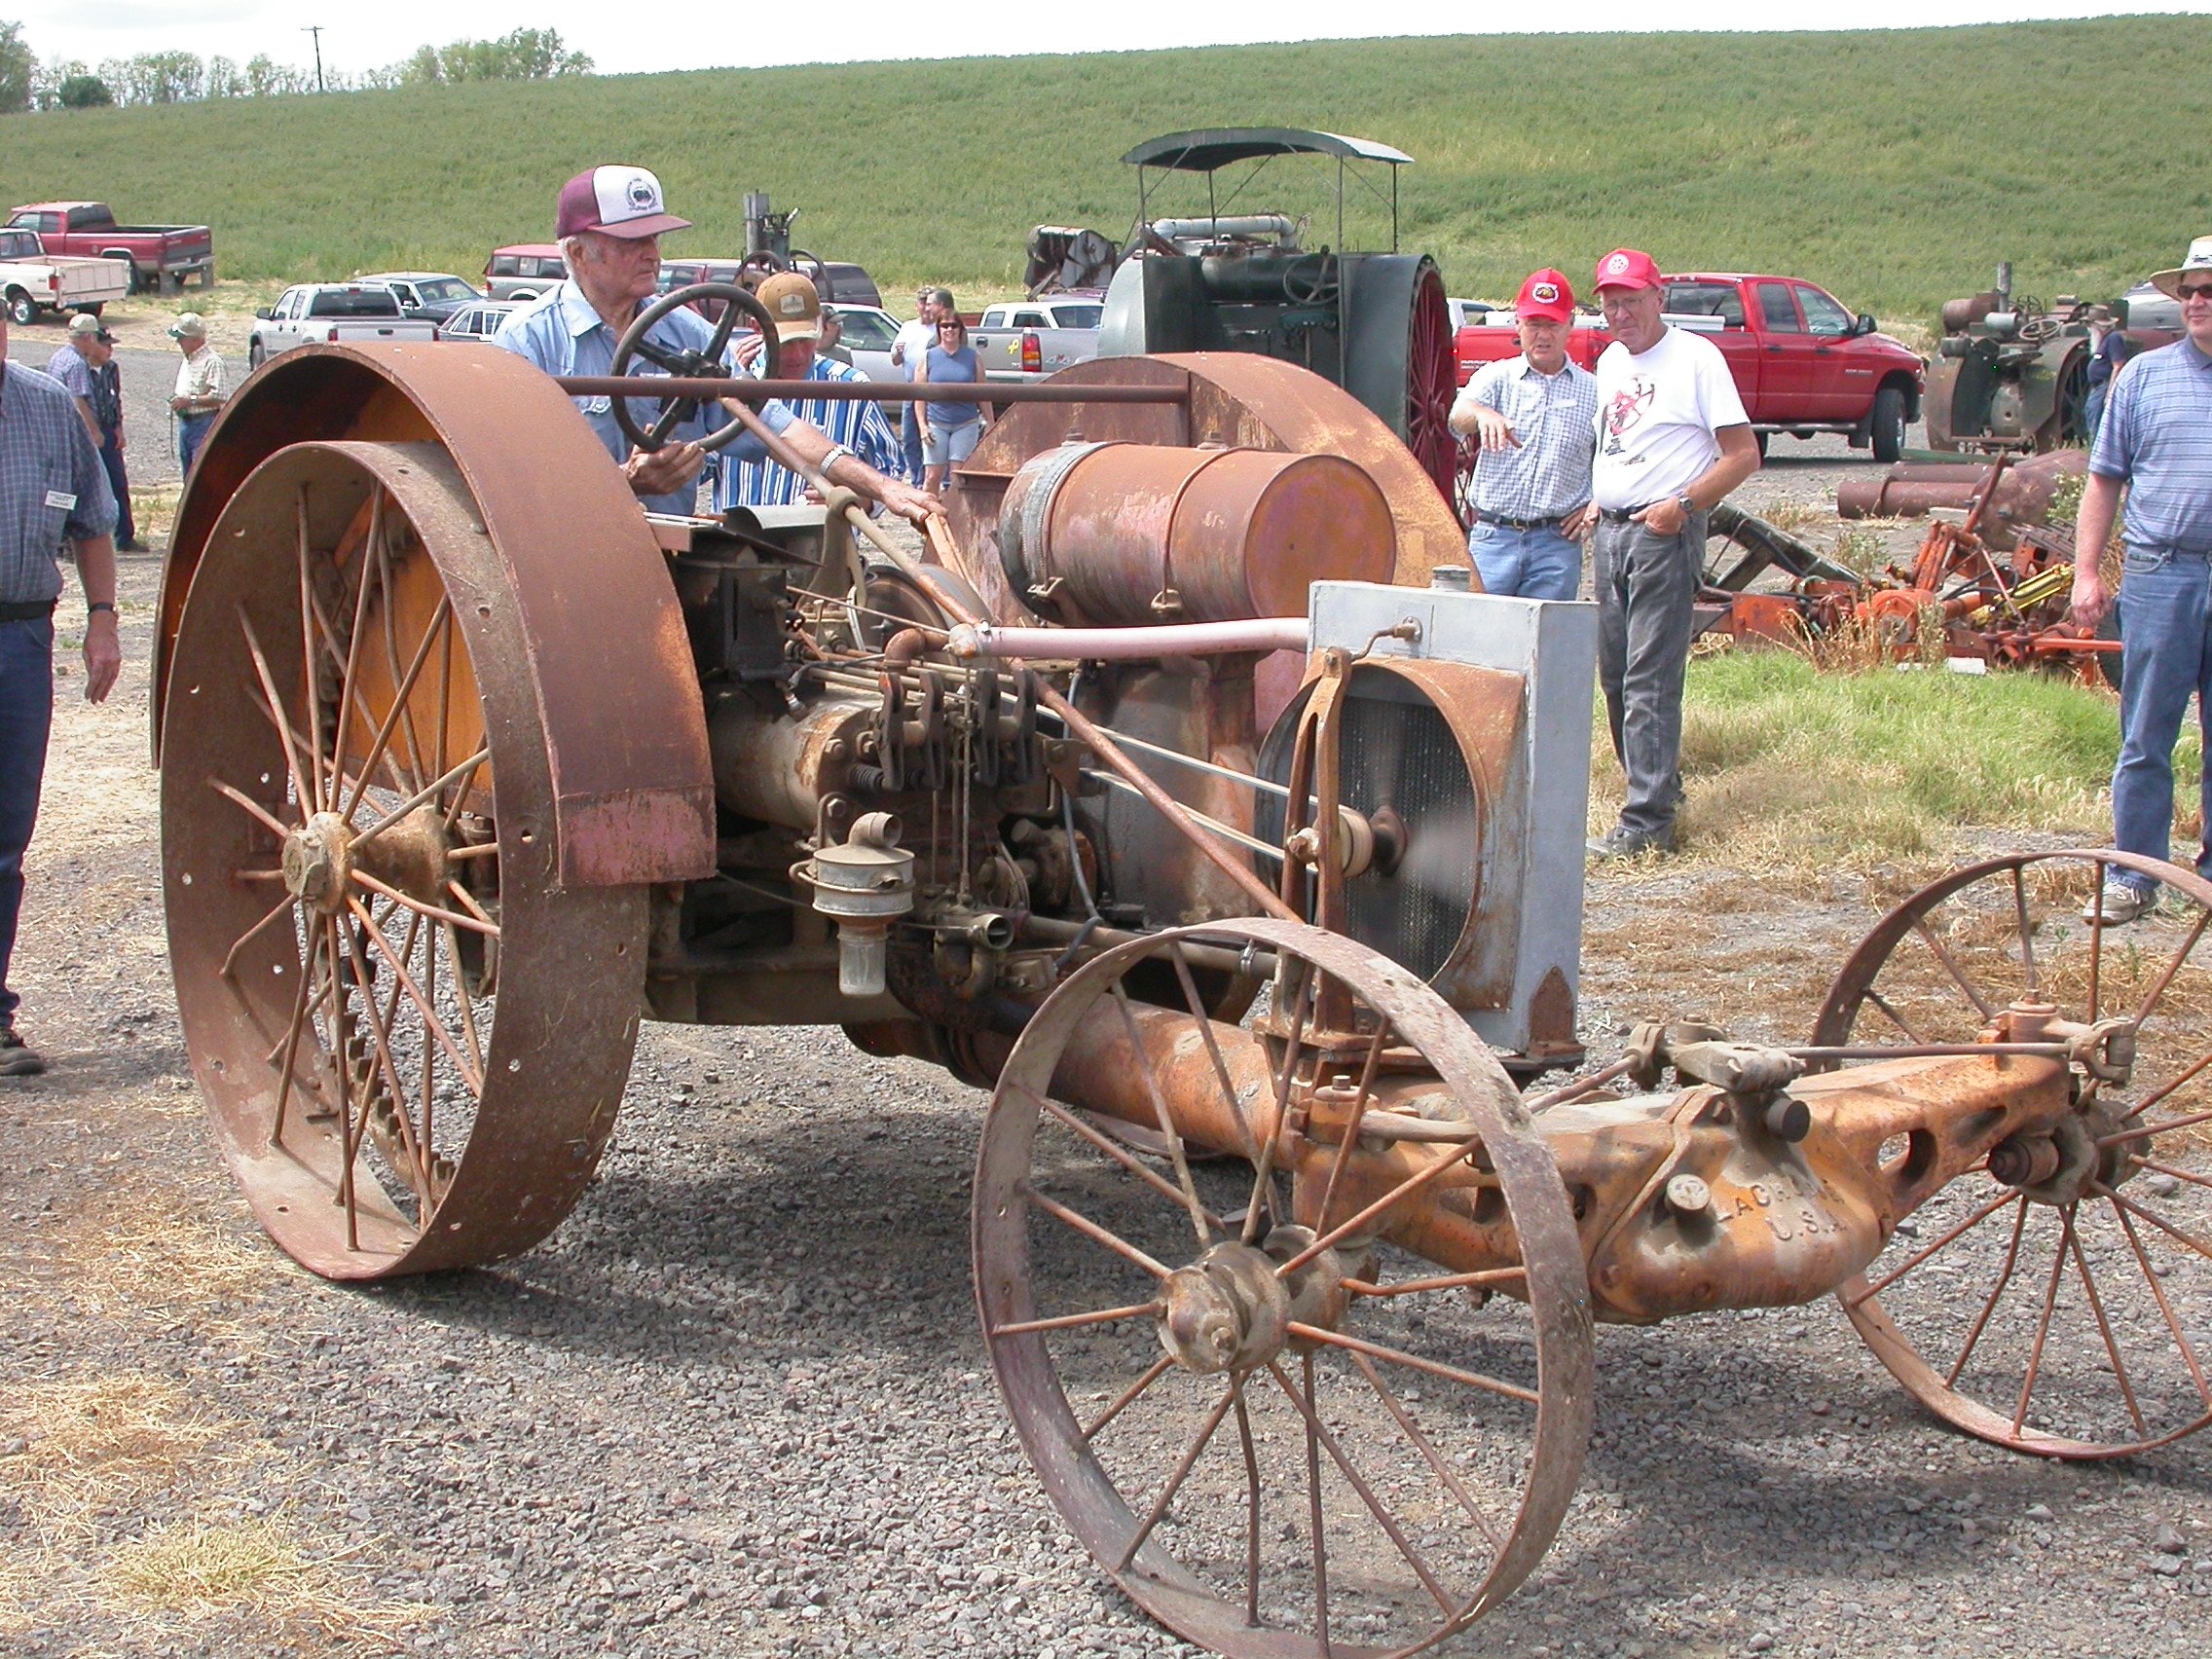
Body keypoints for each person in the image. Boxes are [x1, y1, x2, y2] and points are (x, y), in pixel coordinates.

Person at [496, 166, 934, 523]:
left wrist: (883, 488)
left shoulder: (685, 333)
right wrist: (623, 482)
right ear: (578, 253)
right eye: (632, 242)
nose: (653, 254)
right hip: (561, 562)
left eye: (654, 238)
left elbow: (773, 424)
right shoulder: (527, 342)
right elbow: (508, 481)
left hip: (668, 564)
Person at [1586, 247, 1761, 859]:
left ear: (1658, 298)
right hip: (1612, 533)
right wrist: (1599, 498)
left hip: (1662, 534)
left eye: (1632, 301)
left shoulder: (1696, 359)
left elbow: (1743, 456)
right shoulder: (1610, 361)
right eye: (1611, 304)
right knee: (1615, 677)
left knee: (1649, 679)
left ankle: (1648, 824)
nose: (1621, 314)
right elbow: (1615, 443)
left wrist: (1681, 507)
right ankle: (1658, 790)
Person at [2067, 236, 2212, 925]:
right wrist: (2085, 573)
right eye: (2190, 291)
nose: (2198, 301)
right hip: (2161, 574)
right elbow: (2103, 481)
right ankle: (2134, 876)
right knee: (2146, 733)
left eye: (2210, 290)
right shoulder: (2143, 378)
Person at [1, 306, 122, 1078]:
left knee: (5, 836)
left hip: (19, 637)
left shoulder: (47, 407)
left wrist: (103, 619)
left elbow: (94, 523)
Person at [1446, 269, 1599, 600]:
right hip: (1494, 536)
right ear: (1517, 324)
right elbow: (1458, 416)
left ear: (1571, 325)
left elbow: (1612, 456)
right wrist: (1483, 415)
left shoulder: (1594, 391)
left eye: (1553, 325)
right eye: (1533, 324)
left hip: (1556, 543)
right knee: (1481, 629)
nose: (1543, 335)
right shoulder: (1496, 377)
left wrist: (1595, 502)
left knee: (1547, 630)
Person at [716, 273, 903, 510]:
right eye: (785, 342)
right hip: (737, 533)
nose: (797, 355)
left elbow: (891, 467)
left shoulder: (852, 388)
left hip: (819, 534)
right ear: (756, 327)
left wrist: (855, 500)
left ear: (821, 325)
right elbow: (698, 465)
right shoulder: (728, 385)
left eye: (806, 340)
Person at [48, 314, 136, 552]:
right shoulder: (77, 364)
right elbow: (79, 401)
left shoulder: (59, 358)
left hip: (62, 432)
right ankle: (74, 540)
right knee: (86, 486)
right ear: (89, 338)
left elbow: (113, 400)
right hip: (82, 434)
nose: (107, 349)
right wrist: (95, 433)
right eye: (99, 340)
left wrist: (117, 427)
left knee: (68, 487)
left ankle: (63, 540)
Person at [917, 310, 988, 495]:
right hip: (936, 423)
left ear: (960, 330)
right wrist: (922, 426)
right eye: (944, 326)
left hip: (966, 424)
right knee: (932, 477)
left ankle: (955, 512)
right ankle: (928, 512)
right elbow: (919, 397)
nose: (949, 330)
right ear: (938, 329)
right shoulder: (928, 357)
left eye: (953, 326)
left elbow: (983, 393)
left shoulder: (973, 357)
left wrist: (991, 422)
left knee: (958, 477)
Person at [891, 288, 946, 484]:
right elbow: (895, 361)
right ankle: (916, 480)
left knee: (933, 438)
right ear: (917, 306)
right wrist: (898, 353)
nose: (925, 308)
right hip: (911, 389)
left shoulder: (940, 329)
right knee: (909, 439)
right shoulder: (908, 327)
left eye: (928, 303)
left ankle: (934, 480)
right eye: (922, 303)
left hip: (933, 390)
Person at [167, 313, 226, 477]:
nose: (178, 342)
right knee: (187, 472)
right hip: (186, 422)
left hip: (204, 423)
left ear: (194, 339)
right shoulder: (188, 359)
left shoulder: (212, 362)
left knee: (200, 473)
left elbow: (219, 396)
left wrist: (190, 401)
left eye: (181, 338)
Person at [2082, 306, 2127, 443]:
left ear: (2098, 326)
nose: (2089, 329)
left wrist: (2109, 393)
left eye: (2090, 326)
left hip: (2104, 386)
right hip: (2097, 387)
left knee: (2097, 424)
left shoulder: (2113, 338)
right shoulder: (2104, 340)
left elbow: (2118, 366)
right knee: (2092, 418)